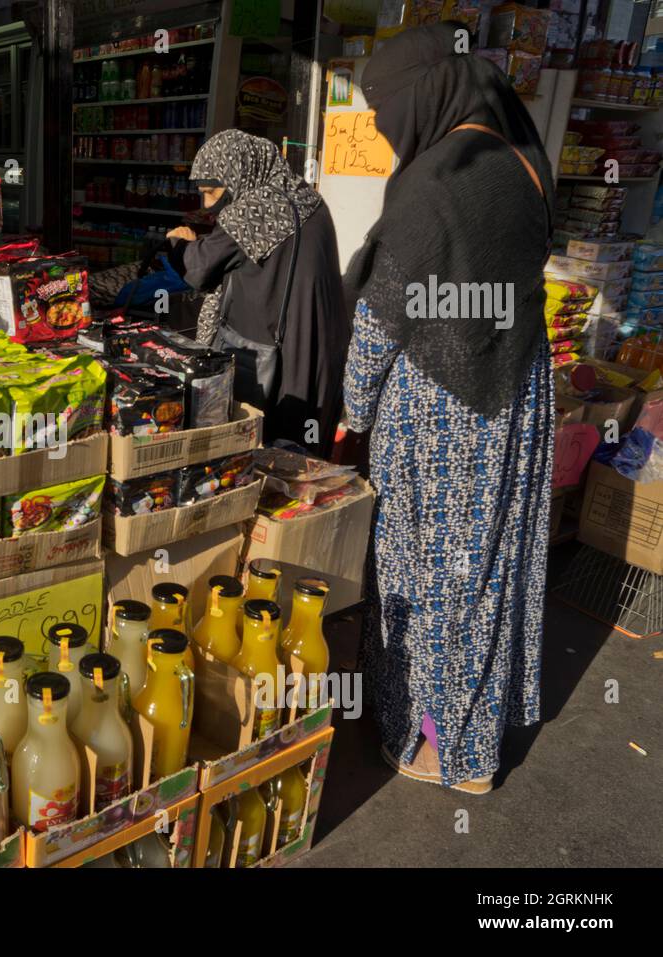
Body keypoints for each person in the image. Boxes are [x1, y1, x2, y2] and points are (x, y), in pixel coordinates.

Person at [342, 23, 555, 793]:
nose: (379, 125)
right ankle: (475, 752)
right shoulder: (526, 162)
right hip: (517, 392)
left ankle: (426, 741)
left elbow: (381, 319)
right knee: (487, 573)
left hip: (438, 407)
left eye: (384, 106)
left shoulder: (434, 179)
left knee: (421, 574)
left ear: (423, 94)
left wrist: (354, 412)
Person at [165, 129, 348, 456]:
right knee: (306, 453)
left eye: (211, 191)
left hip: (280, 356)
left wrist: (180, 243)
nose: (207, 204)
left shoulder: (258, 209)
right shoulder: (307, 198)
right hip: (320, 349)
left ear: (239, 173)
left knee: (264, 450)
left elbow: (198, 269)